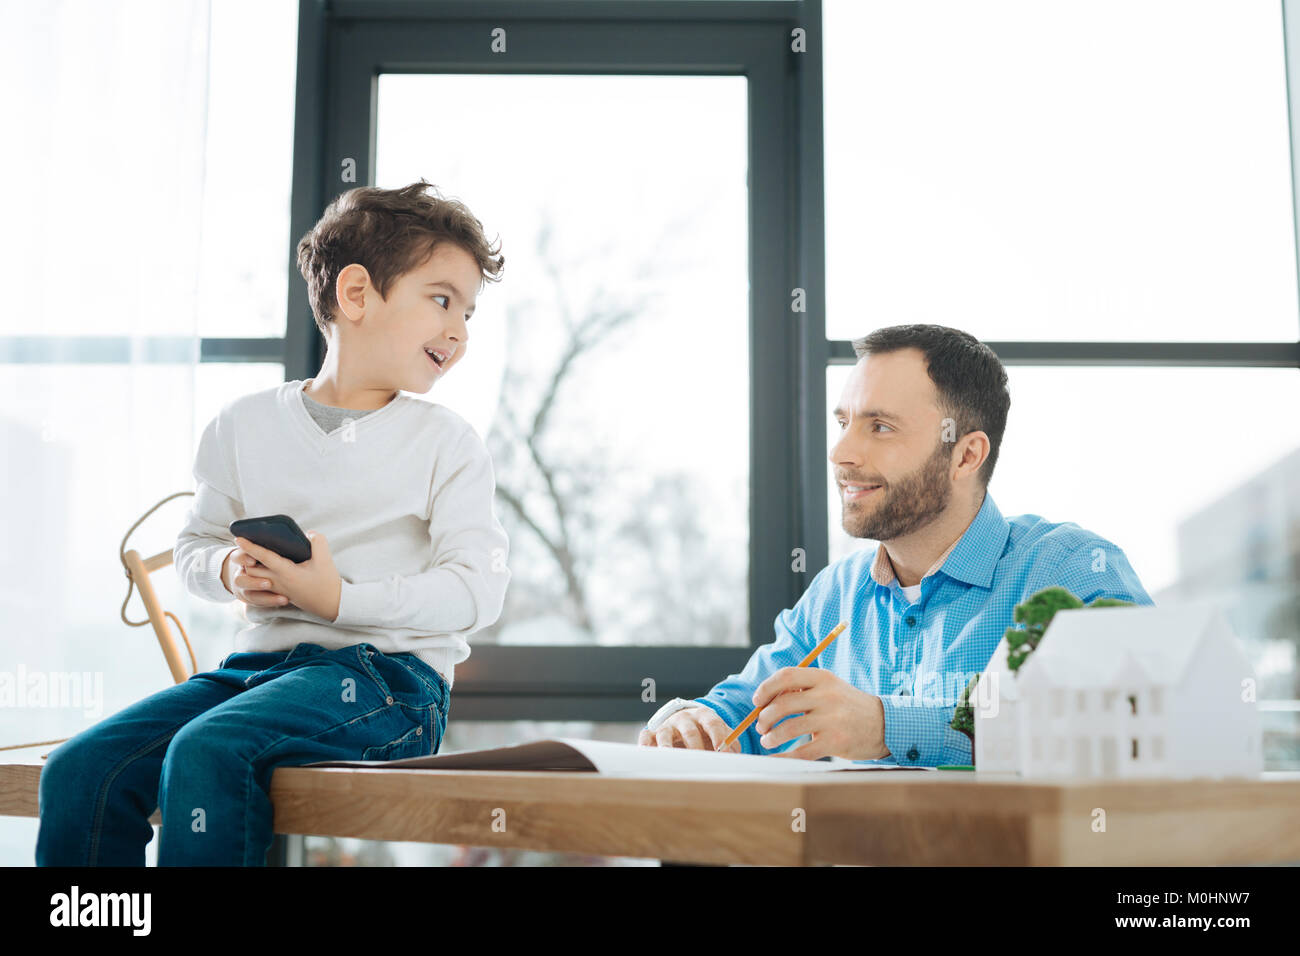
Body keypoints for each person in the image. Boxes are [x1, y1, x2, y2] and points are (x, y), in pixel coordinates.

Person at [37, 180, 511, 865]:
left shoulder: (448, 443)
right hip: (252, 675)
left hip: (390, 686)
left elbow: (476, 591)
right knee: (80, 771)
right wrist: (229, 570)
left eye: (469, 311)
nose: (460, 331)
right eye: (442, 299)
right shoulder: (243, 425)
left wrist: (339, 599)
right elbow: (197, 544)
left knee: (210, 748)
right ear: (356, 296)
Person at [640, 324, 1152, 766]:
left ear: (966, 456)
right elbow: (742, 712)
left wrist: (888, 726)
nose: (841, 453)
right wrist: (692, 721)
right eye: (844, 423)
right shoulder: (834, 594)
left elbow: (1142, 725)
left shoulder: (1071, 569)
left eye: (880, 427)